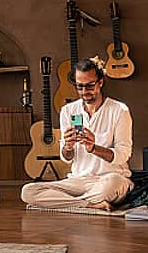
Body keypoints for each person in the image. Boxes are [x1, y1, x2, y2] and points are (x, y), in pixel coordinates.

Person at [21, 57, 133, 211]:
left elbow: (123, 155)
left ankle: (69, 202)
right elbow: (66, 158)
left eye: (89, 86)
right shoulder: (68, 110)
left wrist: (93, 148)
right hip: (78, 181)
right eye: (80, 86)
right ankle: (90, 204)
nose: (84, 92)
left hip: (110, 179)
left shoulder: (119, 110)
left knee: (111, 186)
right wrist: (67, 146)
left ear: (100, 82)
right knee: (28, 191)